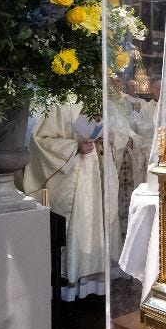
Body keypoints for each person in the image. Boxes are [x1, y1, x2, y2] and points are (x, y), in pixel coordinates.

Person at [23, 100, 119, 301]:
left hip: (95, 176)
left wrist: (107, 138)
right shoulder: (59, 101)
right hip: (73, 178)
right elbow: (40, 141)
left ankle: (93, 288)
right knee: (77, 230)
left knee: (94, 228)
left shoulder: (94, 97)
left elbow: (107, 135)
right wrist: (74, 146)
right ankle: (69, 290)